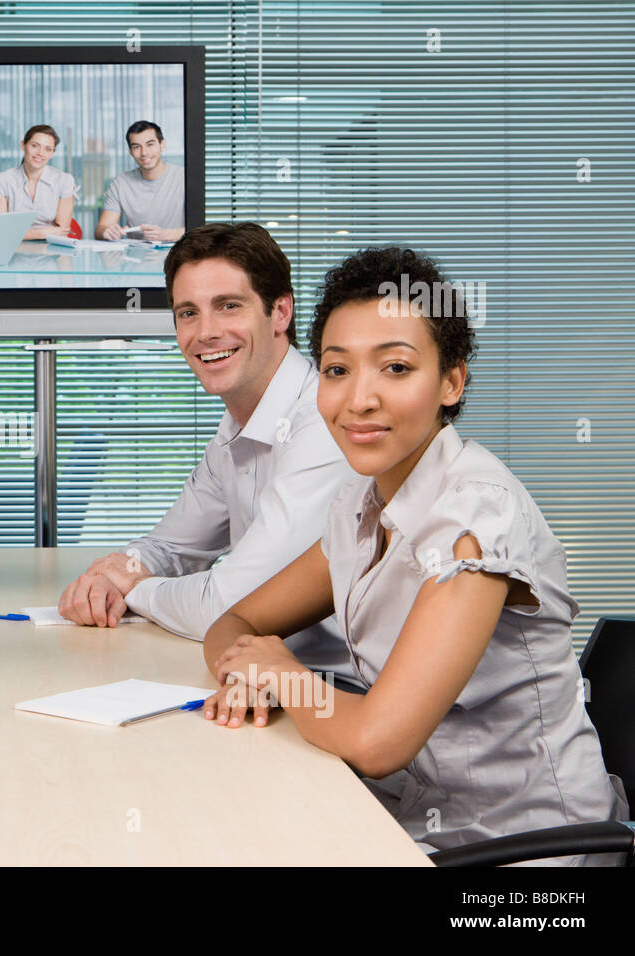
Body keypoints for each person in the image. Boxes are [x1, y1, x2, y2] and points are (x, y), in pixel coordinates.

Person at [201, 247, 627, 864]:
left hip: (524, 855)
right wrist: (251, 672)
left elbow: (377, 742)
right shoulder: (358, 508)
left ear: (451, 381)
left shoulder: (476, 517)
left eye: (396, 369)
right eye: (337, 370)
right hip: (413, 821)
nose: (359, 399)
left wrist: (283, 676)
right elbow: (232, 625)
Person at [57, 223, 358, 687]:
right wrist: (112, 572)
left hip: (347, 697)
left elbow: (231, 604)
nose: (205, 333)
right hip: (270, 685)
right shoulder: (239, 424)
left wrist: (137, 589)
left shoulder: (325, 423)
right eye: (188, 313)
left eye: (228, 306)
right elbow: (171, 548)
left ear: (280, 312)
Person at [94, 120, 185, 242]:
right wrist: (107, 232)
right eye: (137, 147)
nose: (144, 153)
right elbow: (101, 229)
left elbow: (204, 227)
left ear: (162, 145)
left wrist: (168, 235)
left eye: (150, 144)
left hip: (180, 255)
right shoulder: (121, 183)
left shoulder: (184, 177)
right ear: (131, 152)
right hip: (137, 257)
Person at [0, 124, 76, 241]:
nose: (40, 153)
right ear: (23, 145)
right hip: (11, 251)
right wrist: (41, 233)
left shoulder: (64, 180)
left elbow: (62, 232)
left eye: (48, 149)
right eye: (35, 146)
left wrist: (15, 233)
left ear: (52, 153)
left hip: (50, 251)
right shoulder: (3, 180)